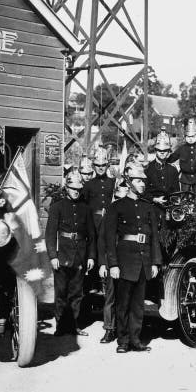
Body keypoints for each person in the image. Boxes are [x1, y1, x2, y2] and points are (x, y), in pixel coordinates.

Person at [104, 164, 162, 353]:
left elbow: (154, 237)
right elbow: (110, 238)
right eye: (138, 180)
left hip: (144, 262)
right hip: (124, 261)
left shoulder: (148, 208)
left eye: (143, 181)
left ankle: (135, 340)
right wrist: (112, 264)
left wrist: (155, 262)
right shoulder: (116, 207)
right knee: (123, 305)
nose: (142, 184)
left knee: (138, 306)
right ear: (129, 183)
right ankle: (123, 341)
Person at [46, 171, 96, 337]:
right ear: (66, 188)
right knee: (61, 293)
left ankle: (74, 325)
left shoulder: (86, 209)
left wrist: (90, 257)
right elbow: (50, 234)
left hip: (80, 255)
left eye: (78, 188)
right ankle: (61, 326)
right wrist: (53, 256)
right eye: (73, 188)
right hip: (62, 256)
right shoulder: (57, 207)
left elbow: (91, 236)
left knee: (77, 293)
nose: (76, 191)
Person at [82, 147, 117, 344]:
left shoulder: (113, 183)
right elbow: (85, 209)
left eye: (104, 165)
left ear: (108, 165)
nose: (101, 168)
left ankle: (111, 324)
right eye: (98, 165)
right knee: (91, 268)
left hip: (109, 228)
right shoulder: (89, 186)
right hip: (93, 229)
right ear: (94, 166)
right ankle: (85, 312)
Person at [146, 127, 180, 220]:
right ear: (155, 150)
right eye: (159, 150)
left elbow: (176, 193)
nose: (162, 152)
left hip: (169, 210)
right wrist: (155, 199)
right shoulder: (148, 169)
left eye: (165, 150)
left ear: (169, 152)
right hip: (150, 208)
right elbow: (142, 192)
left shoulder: (173, 170)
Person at [168, 119, 196, 196]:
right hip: (185, 178)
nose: (190, 139)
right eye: (188, 136)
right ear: (185, 137)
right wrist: (165, 157)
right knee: (184, 198)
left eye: (192, 136)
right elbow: (172, 158)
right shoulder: (181, 149)